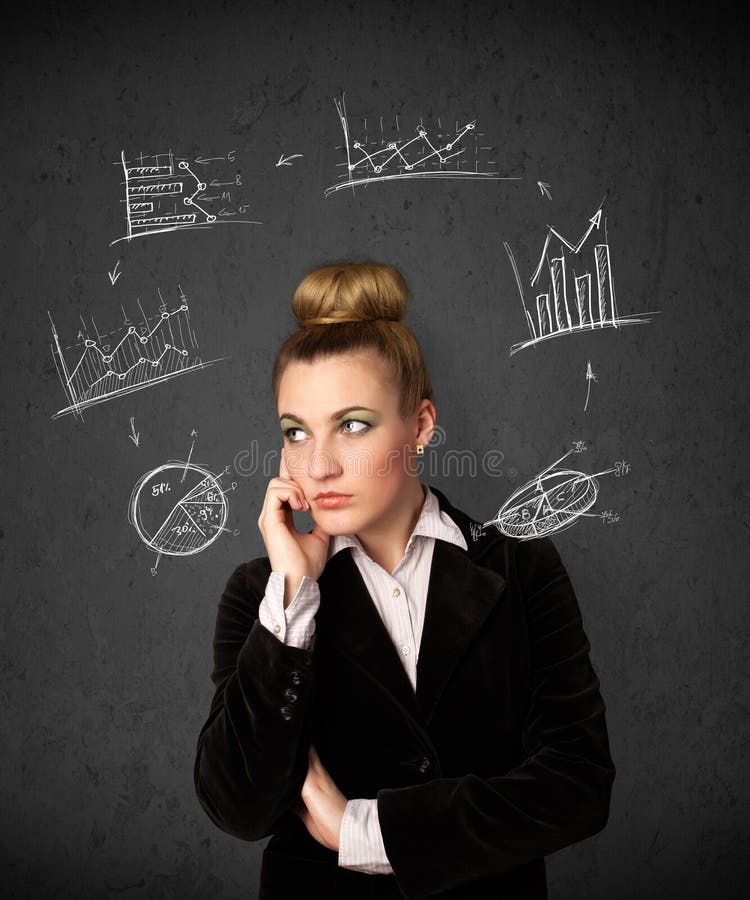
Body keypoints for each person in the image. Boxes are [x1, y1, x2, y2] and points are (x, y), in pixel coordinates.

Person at [193, 261, 616, 899]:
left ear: (419, 425)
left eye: (353, 425)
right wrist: (293, 598)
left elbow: (578, 786)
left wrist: (363, 829)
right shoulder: (264, 596)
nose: (320, 463)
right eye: (295, 432)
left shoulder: (523, 571)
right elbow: (240, 808)